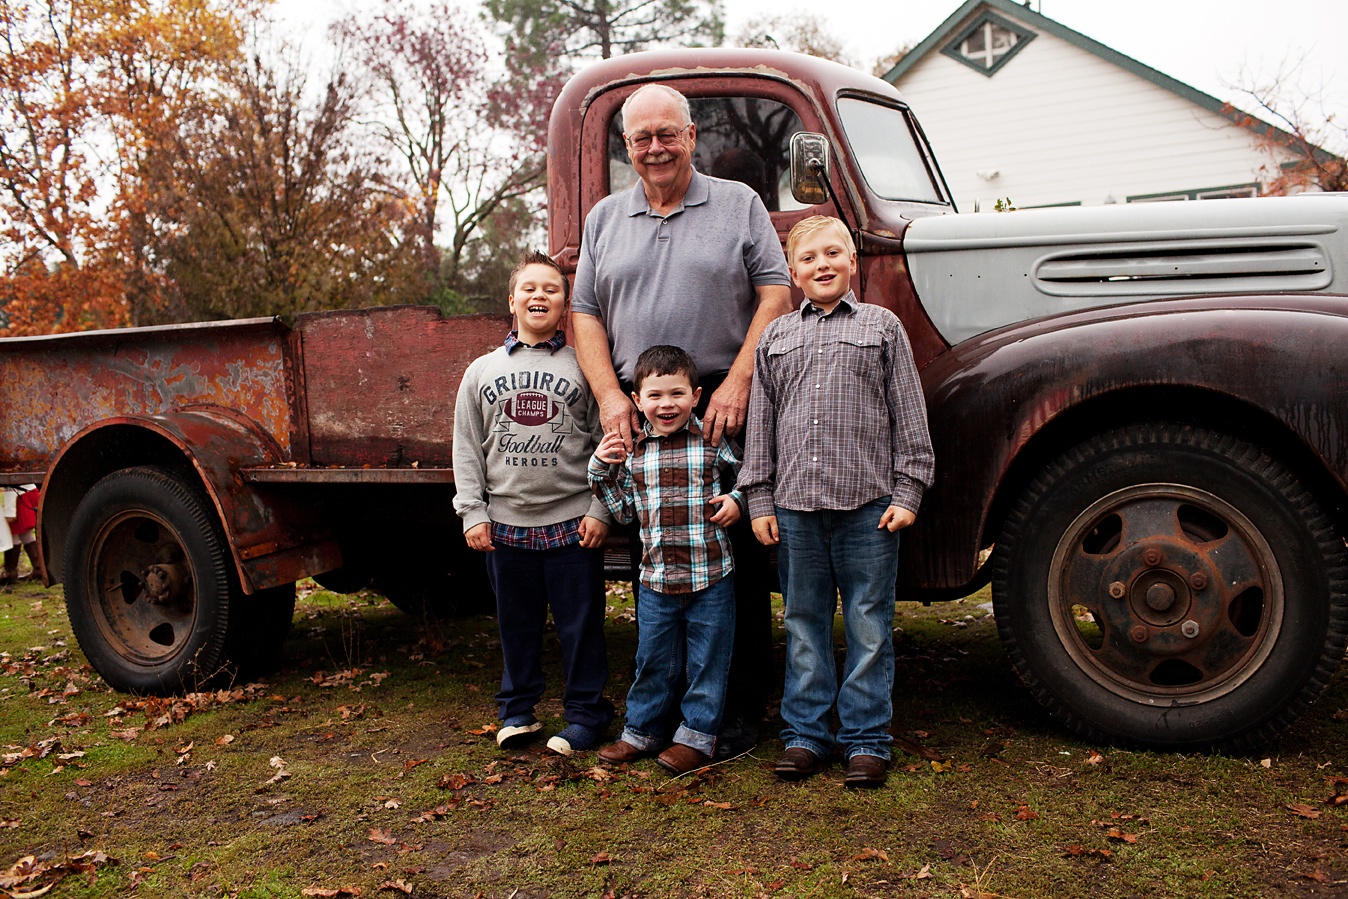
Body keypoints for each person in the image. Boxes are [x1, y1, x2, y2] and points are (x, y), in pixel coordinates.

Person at [571, 82, 794, 758]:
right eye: (641, 137)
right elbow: (584, 313)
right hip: (642, 419)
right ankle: (661, 720)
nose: (656, 147)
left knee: (737, 575)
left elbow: (776, 292)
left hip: (723, 413)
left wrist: (738, 381)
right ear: (627, 147)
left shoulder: (739, 204)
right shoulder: (605, 219)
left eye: (667, 133)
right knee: (658, 568)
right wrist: (613, 397)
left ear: (691, 137)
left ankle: (732, 719)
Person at [738, 215, 936, 789]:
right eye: (808, 258)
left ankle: (866, 740)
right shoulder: (776, 337)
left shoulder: (883, 328)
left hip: (869, 510)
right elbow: (763, 428)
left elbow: (909, 416)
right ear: (793, 272)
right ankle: (805, 736)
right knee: (803, 622)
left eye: (834, 254)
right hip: (796, 508)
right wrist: (760, 499)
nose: (822, 265)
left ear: (854, 262)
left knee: (869, 624)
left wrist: (909, 490)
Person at [452, 251, 615, 757]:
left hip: (573, 522)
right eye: (529, 288)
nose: (539, 295)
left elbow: (605, 442)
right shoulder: (482, 371)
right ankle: (517, 710)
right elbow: (466, 446)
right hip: (505, 526)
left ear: (566, 304)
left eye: (551, 289)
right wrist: (473, 512)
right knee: (515, 624)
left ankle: (587, 715)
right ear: (511, 300)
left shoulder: (584, 366)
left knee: (580, 625)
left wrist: (601, 509)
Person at [589, 346, 745, 775]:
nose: (667, 404)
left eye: (677, 394)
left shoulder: (713, 442)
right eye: (655, 396)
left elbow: (751, 476)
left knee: (707, 660)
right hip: (655, 578)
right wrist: (599, 472)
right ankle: (642, 731)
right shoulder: (633, 452)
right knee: (653, 659)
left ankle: (696, 737)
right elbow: (623, 513)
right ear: (637, 402)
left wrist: (736, 500)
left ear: (696, 396)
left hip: (710, 575)